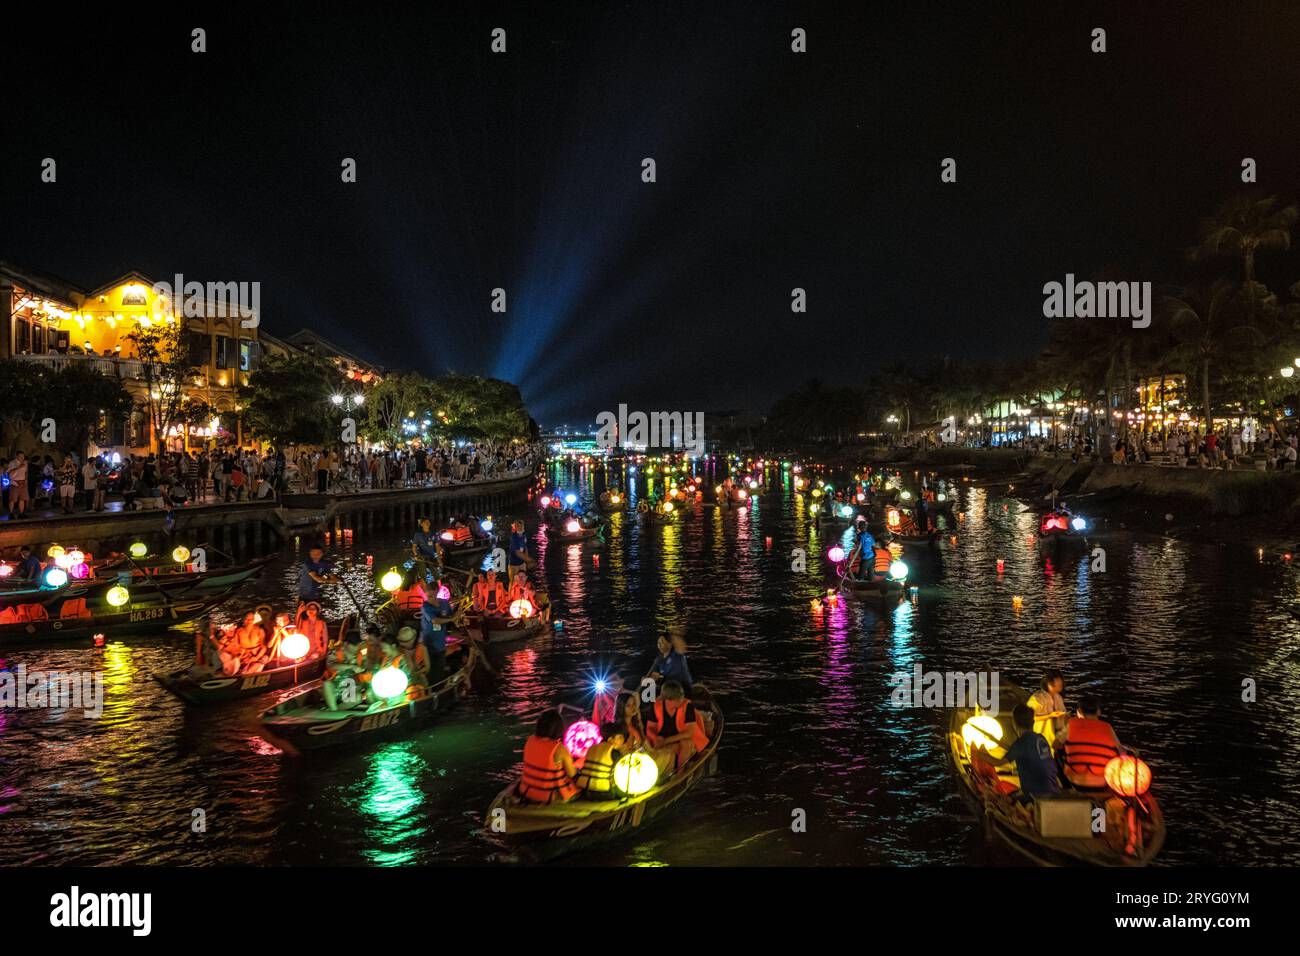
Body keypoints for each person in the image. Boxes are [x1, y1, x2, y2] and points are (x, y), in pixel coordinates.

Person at [979, 704, 1061, 801]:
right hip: (1053, 789)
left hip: (1035, 795)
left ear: (1014, 723)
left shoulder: (1021, 743)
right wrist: (995, 740)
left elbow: (998, 762)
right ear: (1033, 722)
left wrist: (978, 754)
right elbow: (1020, 751)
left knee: (1002, 799)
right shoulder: (1040, 738)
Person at [646, 680, 709, 773]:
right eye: (677, 699)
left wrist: (667, 741)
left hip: (681, 738)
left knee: (686, 743)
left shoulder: (687, 707)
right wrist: (656, 738)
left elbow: (689, 732)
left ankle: (680, 773)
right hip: (662, 738)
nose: (681, 700)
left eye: (681, 697)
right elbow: (650, 728)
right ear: (668, 700)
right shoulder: (656, 706)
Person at [1061, 696, 1124, 789]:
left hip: (1075, 780)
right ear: (1098, 711)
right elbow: (1121, 752)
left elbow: (1055, 744)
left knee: (1060, 754)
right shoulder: (1107, 727)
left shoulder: (1071, 724)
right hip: (1102, 781)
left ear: (1080, 712)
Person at [518, 710, 579, 804]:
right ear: (559, 728)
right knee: (580, 785)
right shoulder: (560, 749)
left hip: (526, 791)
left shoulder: (530, 740)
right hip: (550, 796)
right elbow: (572, 773)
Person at [576, 724, 627, 797]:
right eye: (619, 737)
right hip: (604, 792)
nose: (623, 740)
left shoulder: (592, 748)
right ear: (610, 739)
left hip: (585, 791)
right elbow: (624, 770)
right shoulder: (612, 751)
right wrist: (624, 753)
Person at [321, 634, 365, 711]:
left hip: (349, 689)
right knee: (326, 684)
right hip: (334, 688)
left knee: (358, 698)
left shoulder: (360, 655)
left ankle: (335, 710)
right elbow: (331, 665)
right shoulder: (335, 651)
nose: (357, 647)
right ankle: (333, 709)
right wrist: (351, 666)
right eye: (354, 645)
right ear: (345, 644)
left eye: (358, 645)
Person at [1029, 670, 1068, 749]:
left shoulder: (1058, 698)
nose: (1060, 686)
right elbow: (1029, 718)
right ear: (1049, 684)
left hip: (1057, 738)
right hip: (1042, 737)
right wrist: (1050, 715)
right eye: (1057, 685)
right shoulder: (1037, 699)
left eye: (1060, 684)